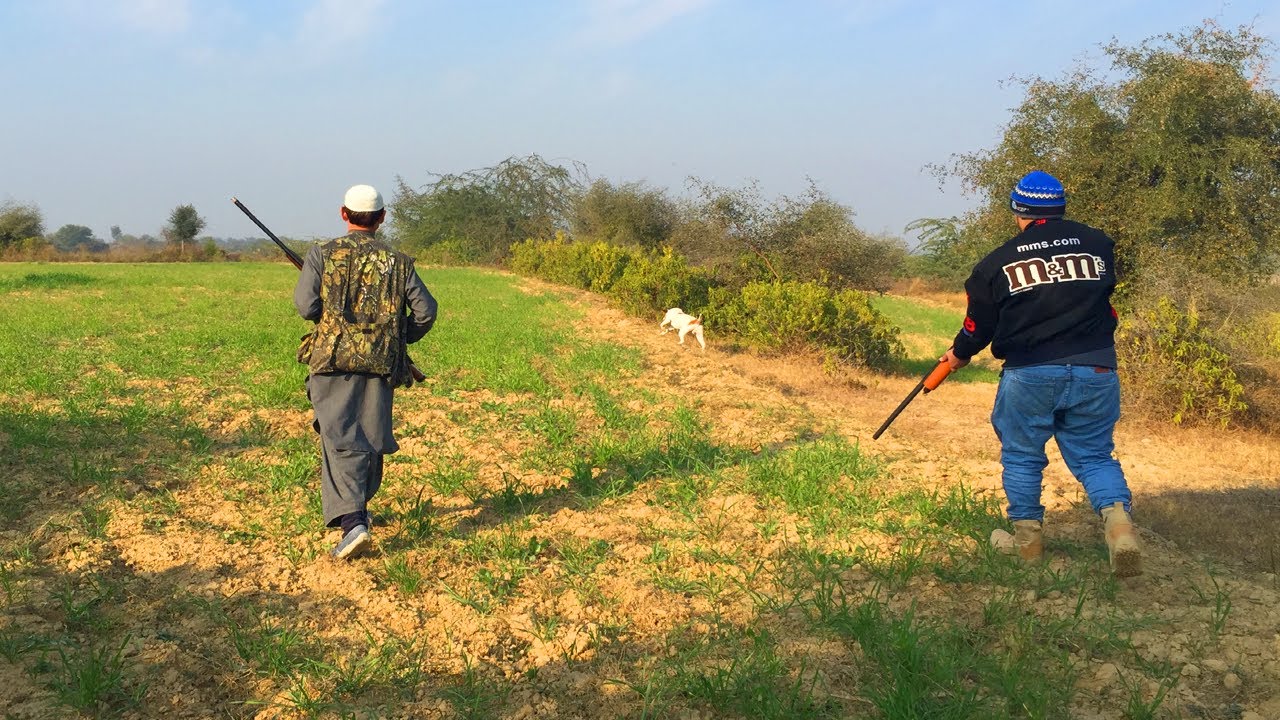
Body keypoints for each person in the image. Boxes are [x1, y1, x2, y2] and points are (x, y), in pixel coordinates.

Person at [940, 170, 1142, 577]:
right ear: (1060, 208)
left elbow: (979, 324)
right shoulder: (1099, 245)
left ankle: (1027, 544)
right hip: (1096, 367)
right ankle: (1120, 528)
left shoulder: (995, 264)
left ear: (1019, 212)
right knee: (1093, 454)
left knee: (1022, 454)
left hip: (1030, 372)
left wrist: (959, 354)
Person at [294, 184, 437, 560]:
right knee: (370, 435)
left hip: (332, 360)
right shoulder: (400, 261)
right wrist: (398, 337)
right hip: (381, 363)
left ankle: (353, 522)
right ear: (382, 218)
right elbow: (426, 311)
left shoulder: (321, 255)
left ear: (344, 214)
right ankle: (358, 508)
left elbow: (306, 307)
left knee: (340, 437)